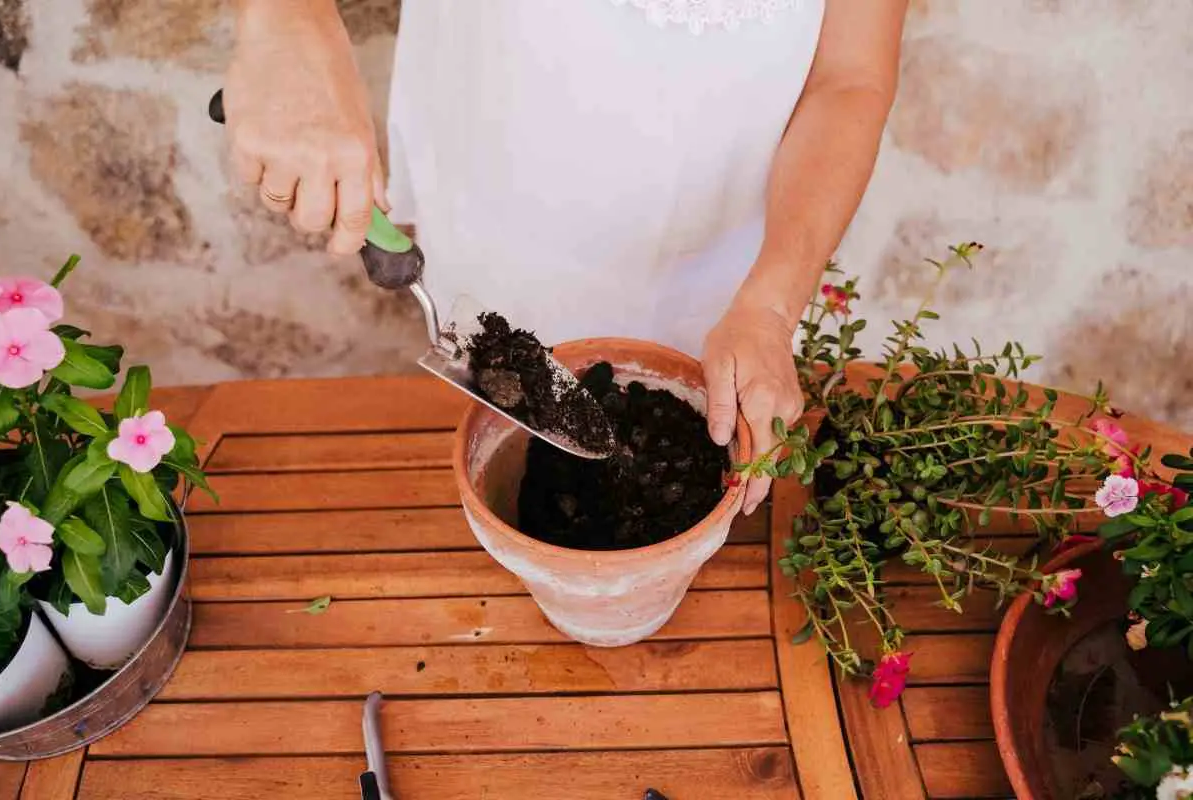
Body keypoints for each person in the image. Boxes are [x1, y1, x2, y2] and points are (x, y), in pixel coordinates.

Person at [225, 0, 908, 515]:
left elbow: (848, 79)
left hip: (732, 258)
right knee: (502, 434)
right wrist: (286, 20)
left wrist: (770, 307)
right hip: (505, 195)